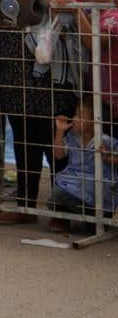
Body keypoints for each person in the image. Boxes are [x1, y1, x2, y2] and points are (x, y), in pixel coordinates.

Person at [0, 0, 83, 225]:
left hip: (50, 86)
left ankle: (60, 210)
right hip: (13, 83)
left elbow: (71, 41)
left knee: (54, 146)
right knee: (23, 144)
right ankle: (26, 205)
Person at [48, 96, 117, 230]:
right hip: (75, 183)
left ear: (95, 122)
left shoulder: (106, 141)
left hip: (97, 189)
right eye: (76, 114)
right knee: (57, 193)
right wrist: (60, 131)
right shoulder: (73, 137)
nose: (75, 119)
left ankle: (97, 218)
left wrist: (108, 157)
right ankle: (72, 217)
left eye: (81, 116)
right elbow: (58, 155)